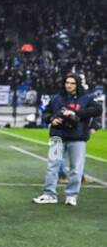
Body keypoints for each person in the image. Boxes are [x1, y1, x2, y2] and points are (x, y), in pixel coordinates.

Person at [33, 72, 101, 207]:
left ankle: (71, 196)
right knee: (52, 166)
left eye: (72, 83)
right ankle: (49, 194)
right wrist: (51, 119)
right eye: (67, 83)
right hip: (57, 137)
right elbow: (46, 112)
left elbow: (98, 109)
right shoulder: (56, 98)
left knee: (76, 168)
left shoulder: (86, 98)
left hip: (78, 138)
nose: (69, 85)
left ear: (77, 85)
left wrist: (76, 113)